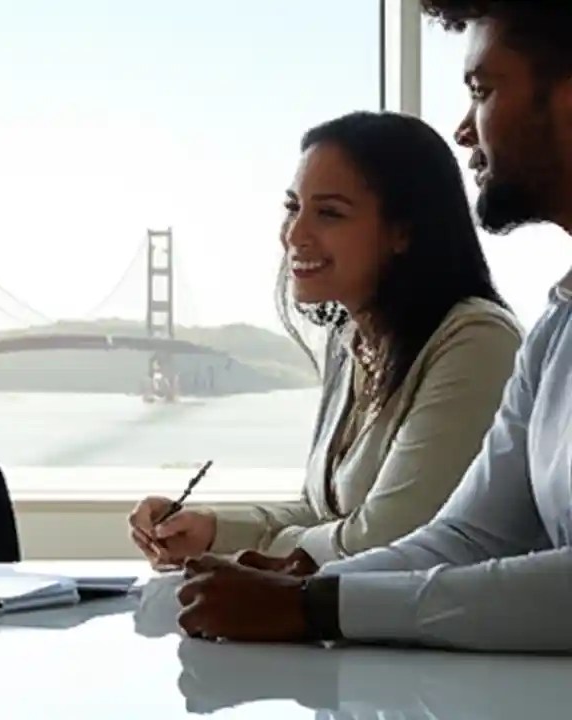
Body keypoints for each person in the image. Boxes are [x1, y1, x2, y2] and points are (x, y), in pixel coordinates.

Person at [174, 0, 572, 653]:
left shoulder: (479, 339)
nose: (464, 131)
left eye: (482, 90)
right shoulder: (558, 327)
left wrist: (317, 605)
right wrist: (302, 586)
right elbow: (469, 536)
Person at [128, 111, 520, 572]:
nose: (295, 234)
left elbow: (384, 540)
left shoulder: (475, 343)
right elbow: (328, 515)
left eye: (329, 213)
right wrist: (212, 529)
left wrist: (248, 554)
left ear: (405, 232)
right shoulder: (351, 341)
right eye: (293, 207)